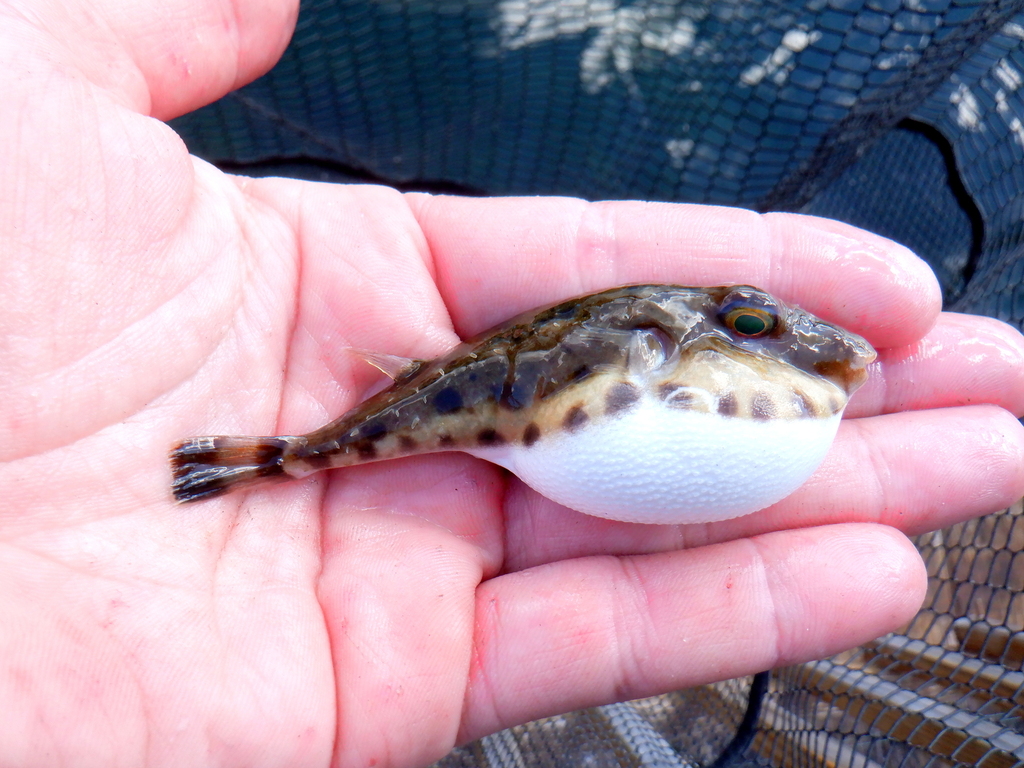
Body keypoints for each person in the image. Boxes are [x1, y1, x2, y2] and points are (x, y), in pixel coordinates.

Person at [2, 1, 1023, 766]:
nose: (772, 337)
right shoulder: (641, 337)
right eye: (752, 324)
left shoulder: (676, 346)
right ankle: (271, 461)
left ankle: (272, 461)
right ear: (671, 338)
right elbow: (552, 371)